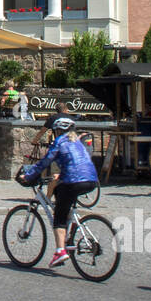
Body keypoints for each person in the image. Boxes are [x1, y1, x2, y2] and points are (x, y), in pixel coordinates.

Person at [16, 115, 99, 268]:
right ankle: (69, 228)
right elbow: (79, 162)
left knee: (58, 217)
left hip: (73, 181)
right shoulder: (78, 142)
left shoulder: (59, 142)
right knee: (61, 193)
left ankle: (60, 251)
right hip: (92, 180)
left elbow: (45, 161)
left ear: (57, 131)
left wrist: (28, 175)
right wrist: (61, 175)